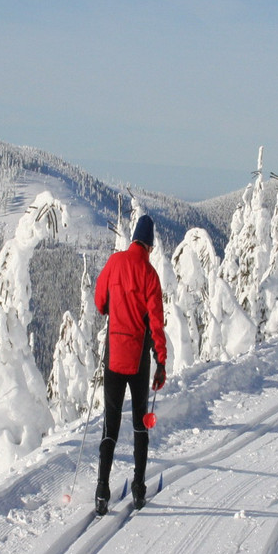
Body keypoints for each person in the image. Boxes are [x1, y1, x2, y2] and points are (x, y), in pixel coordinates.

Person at [93, 213, 167, 513]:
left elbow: (100, 303)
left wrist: (114, 305)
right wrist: (160, 362)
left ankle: (101, 491)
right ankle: (138, 489)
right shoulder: (150, 275)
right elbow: (157, 324)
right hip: (138, 361)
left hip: (113, 357)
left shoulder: (114, 263)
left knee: (110, 427)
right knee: (139, 426)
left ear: (133, 238)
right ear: (149, 246)